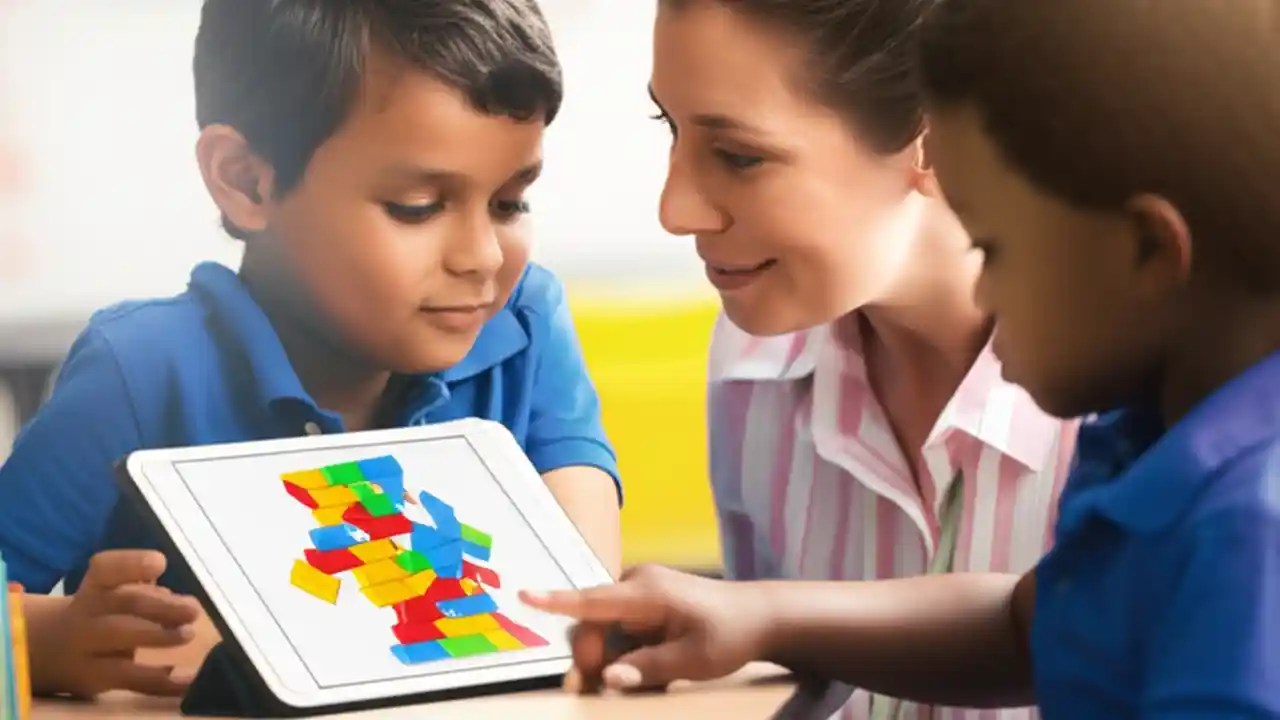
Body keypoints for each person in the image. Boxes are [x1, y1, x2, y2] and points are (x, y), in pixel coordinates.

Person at [525, 0, 1280, 716]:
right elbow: (1022, 625)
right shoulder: (1143, 449)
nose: (674, 210)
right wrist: (761, 614)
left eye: (994, 250)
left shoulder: (1245, 531)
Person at [2, 0, 621, 699]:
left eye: (509, 203)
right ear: (246, 180)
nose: (482, 257)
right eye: (417, 207)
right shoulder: (140, 372)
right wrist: (47, 640)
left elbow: (586, 607)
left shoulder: (521, 327)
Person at [571, 1, 1076, 716]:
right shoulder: (752, 359)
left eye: (740, 156)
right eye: (670, 127)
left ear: (937, 135)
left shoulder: (1146, 402)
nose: (675, 208)